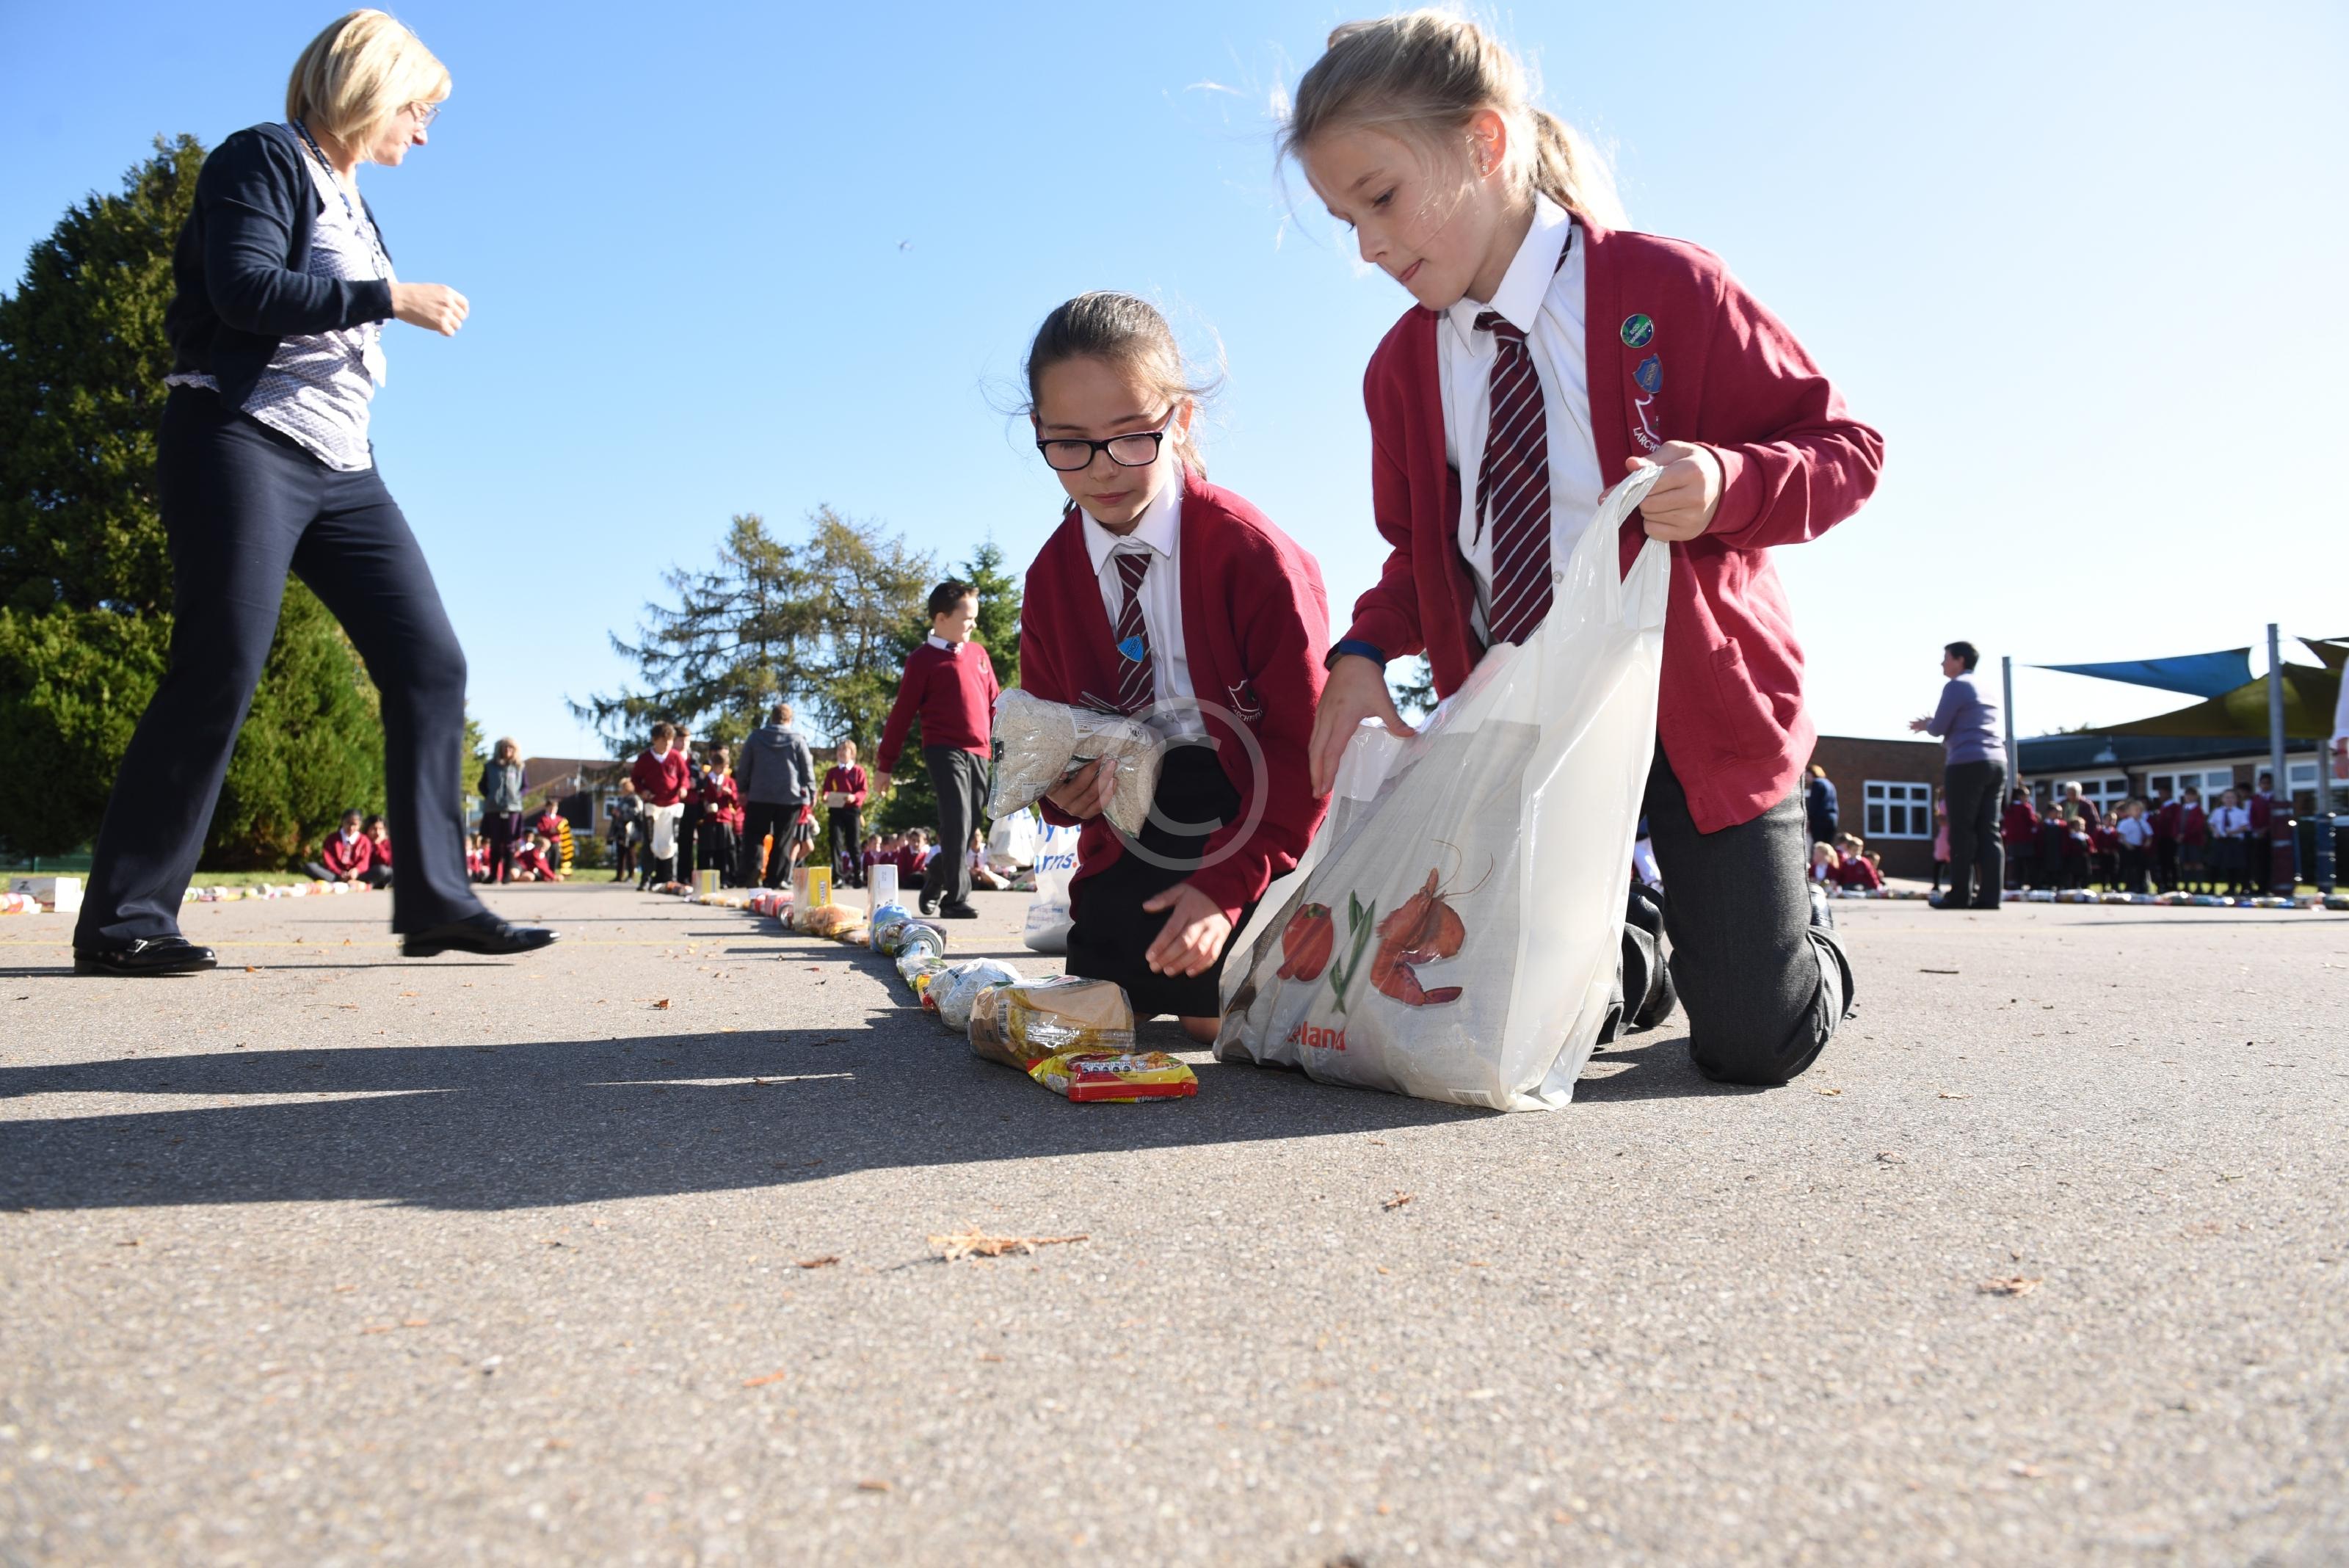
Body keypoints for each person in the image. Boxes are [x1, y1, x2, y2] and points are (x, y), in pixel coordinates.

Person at [1288, 15, 1880, 1083]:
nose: (1367, 248)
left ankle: (1797, 932)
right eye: (1345, 221)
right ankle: (1631, 947)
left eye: (1380, 198)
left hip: (1696, 717)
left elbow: (1846, 449)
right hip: (1530, 732)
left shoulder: (1669, 289)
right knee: (1509, 1025)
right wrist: (1362, 654)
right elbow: (1420, 561)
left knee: (1754, 1040)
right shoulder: (1400, 371)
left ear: (1484, 142)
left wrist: (1731, 482)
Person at [68, 13, 552, 973]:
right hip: (239, 439)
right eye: (418, 110)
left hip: (344, 469)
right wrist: (389, 297)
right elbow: (244, 289)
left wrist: (379, 297)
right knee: (220, 665)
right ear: (370, 88)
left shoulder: (353, 198)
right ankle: (124, 921)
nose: (424, 133)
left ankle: (438, 903)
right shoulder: (262, 159)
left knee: (430, 661)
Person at [1016, 292, 1329, 1040]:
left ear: (1180, 418)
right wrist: (1061, 792)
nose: (1102, 470)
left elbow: (1307, 749)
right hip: (1137, 830)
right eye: (1070, 444)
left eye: (1132, 437)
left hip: (1261, 815)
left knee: (1208, 1022)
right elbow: (1051, 745)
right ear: (1039, 432)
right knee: (1099, 1010)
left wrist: (1226, 890)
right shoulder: (1050, 579)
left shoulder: (1250, 553)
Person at [876, 582, 1001, 920]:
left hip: (980, 751)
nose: (974, 624)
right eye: (967, 618)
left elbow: (995, 703)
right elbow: (901, 714)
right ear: (942, 618)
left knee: (970, 823)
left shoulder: (978, 654)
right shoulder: (922, 660)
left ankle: (936, 871)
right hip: (944, 748)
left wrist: (1005, 745)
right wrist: (885, 764)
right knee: (956, 818)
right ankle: (955, 900)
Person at [1911, 642, 2003, 910]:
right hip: (1997, 761)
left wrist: (1927, 724)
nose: (1942, 663)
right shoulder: (1986, 687)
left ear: (1960, 660)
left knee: (1961, 830)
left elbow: (1939, 727)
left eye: (1946, 658)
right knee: (1989, 830)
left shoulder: (1956, 686)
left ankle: (1960, 895)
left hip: (1967, 763)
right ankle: (1990, 897)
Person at [737, 703, 816, 890]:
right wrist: (812, 792)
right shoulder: (797, 739)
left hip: (759, 795)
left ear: (772, 718)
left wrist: (742, 789)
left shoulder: (756, 737)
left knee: (755, 835)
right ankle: (775, 879)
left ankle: (754, 869)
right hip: (790, 797)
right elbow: (807, 768)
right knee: (783, 839)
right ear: (790, 719)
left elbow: (744, 765)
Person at [629, 722, 691, 888]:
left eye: (670, 741)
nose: (667, 745)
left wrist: (683, 787)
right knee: (650, 842)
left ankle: (670, 878)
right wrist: (643, 791)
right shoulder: (645, 758)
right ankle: (646, 878)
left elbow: (684, 775)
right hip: (653, 806)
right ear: (654, 740)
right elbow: (635, 779)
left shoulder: (675, 757)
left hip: (672, 806)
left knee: (671, 842)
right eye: (663, 741)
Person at [821, 740, 870, 888]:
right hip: (836, 809)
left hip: (852, 810)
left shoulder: (858, 771)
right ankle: (837, 877)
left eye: (845, 750)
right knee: (835, 841)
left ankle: (857, 874)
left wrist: (854, 797)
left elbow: (863, 790)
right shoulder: (832, 772)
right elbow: (827, 789)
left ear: (852, 753)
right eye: (839, 750)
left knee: (853, 843)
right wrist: (826, 796)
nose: (841, 753)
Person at [477, 738, 526, 885]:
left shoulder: (519, 767)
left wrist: (517, 796)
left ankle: (506, 875)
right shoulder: (490, 766)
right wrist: (490, 796)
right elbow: (482, 785)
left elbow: (525, 786)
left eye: (511, 748)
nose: (507, 750)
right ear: (500, 749)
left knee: (510, 842)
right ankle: (493, 875)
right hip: (494, 809)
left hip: (513, 809)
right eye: (505, 747)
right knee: (495, 842)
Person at [305, 808, 390, 888]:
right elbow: (329, 861)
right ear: (342, 822)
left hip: (358, 875)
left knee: (381, 870)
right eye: (348, 823)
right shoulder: (332, 839)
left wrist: (356, 870)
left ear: (360, 825)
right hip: (336, 875)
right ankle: (346, 883)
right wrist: (340, 872)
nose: (351, 827)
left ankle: (350, 882)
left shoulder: (364, 840)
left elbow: (365, 861)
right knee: (310, 866)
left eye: (355, 824)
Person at [695, 747, 743, 886]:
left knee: (724, 851)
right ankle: (706, 880)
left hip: (724, 819)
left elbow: (737, 802)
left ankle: (724, 879)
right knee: (707, 850)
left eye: (724, 767)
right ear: (714, 766)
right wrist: (704, 802)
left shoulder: (730, 782)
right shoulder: (706, 780)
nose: (722, 770)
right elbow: (700, 797)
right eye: (720, 767)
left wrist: (730, 794)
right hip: (709, 820)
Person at [2210, 788, 2252, 896]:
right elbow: (2211, 823)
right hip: (2220, 840)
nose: (2229, 800)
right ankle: (2212, 887)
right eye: (2227, 797)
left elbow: (2245, 826)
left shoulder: (2241, 813)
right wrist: (2215, 831)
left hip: (2233, 841)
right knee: (2215, 864)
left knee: (2232, 866)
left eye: (2232, 797)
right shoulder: (2218, 811)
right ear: (2222, 799)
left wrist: (2233, 832)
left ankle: (2232, 888)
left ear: (2237, 799)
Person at [2113, 799, 2153, 894]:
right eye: (2135, 810)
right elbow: (2121, 836)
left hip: (2139, 848)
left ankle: (2141, 886)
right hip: (2127, 848)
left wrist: (2148, 842)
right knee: (2127, 868)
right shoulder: (2125, 823)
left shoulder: (2143, 822)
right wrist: (2127, 844)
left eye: (2139, 810)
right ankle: (2126, 886)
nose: (2138, 812)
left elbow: (2149, 834)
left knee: (2140, 868)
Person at [607, 777, 642, 883]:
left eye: (622, 787)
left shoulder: (634, 799)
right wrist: (615, 813)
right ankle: (619, 876)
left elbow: (637, 813)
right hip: (620, 831)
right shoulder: (623, 800)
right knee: (620, 853)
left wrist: (622, 815)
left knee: (630, 852)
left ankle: (631, 875)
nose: (620, 790)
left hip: (630, 831)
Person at [2176, 786, 2210, 893]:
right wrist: (2177, 835)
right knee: (2185, 863)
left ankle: (2199, 886)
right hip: (2183, 842)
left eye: (2192, 795)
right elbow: (2176, 824)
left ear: (2196, 797)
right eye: (2187, 795)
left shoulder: (2198, 810)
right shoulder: (2182, 809)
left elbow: (2198, 826)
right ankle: (2186, 885)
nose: (2189, 797)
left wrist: (2185, 835)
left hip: (2195, 841)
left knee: (2197, 863)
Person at [1805, 764, 1839, 846]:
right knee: (1827, 846)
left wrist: (1809, 819)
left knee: (1819, 846)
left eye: (1807, 775)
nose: (1806, 778)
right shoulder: (1829, 784)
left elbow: (1814, 803)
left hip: (1819, 820)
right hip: (1832, 819)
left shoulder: (1817, 783)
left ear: (1813, 774)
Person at [363, 813, 395, 885]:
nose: (377, 832)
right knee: (380, 870)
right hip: (368, 873)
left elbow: (387, 861)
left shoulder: (388, 843)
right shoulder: (363, 842)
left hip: (386, 873)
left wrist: (377, 845)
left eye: (381, 829)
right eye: (374, 829)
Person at [1930, 793, 1950, 893]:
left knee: (1960, 862)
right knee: (1939, 861)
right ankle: (1936, 886)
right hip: (1945, 836)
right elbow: (1940, 819)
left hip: (1954, 835)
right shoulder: (1944, 803)